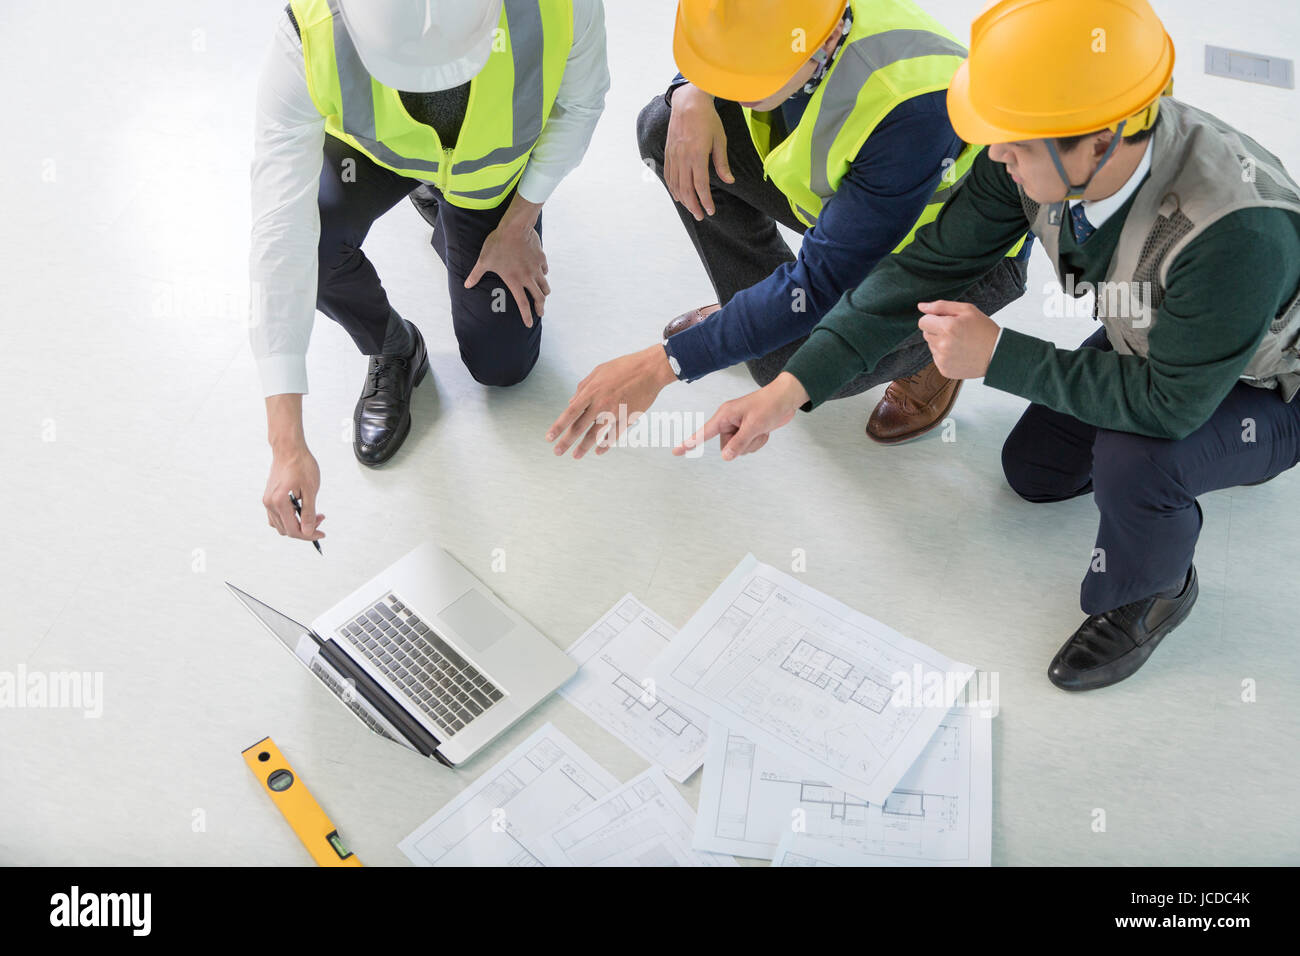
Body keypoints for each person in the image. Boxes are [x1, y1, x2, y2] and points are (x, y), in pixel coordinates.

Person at [676, 0, 1300, 691]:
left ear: (1102, 139)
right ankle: (1169, 478)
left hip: (1270, 384)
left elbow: (1171, 407)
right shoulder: (1041, 149)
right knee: (1035, 472)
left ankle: (1151, 592)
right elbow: (918, 270)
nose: (996, 154)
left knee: (1138, 454)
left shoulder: (1235, 233)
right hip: (1161, 337)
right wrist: (787, 390)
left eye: (1017, 144)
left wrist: (998, 356)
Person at [546, 0, 1029, 459]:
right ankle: (756, 313)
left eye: (743, 81)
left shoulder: (910, 109)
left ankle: (930, 358)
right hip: (854, 205)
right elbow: (722, 39)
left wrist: (661, 365)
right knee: (666, 128)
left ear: (824, 44)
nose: (728, 88)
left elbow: (819, 285)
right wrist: (691, 91)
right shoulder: (798, 30)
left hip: (950, 257)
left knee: (784, 363)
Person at [249, 0, 608, 542]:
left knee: (502, 365)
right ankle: (394, 346)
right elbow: (280, 231)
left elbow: (579, 105)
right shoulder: (310, 29)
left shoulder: (560, 7)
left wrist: (519, 222)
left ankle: (453, 205)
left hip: (489, 170)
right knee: (315, 245)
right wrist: (287, 442)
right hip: (375, 151)